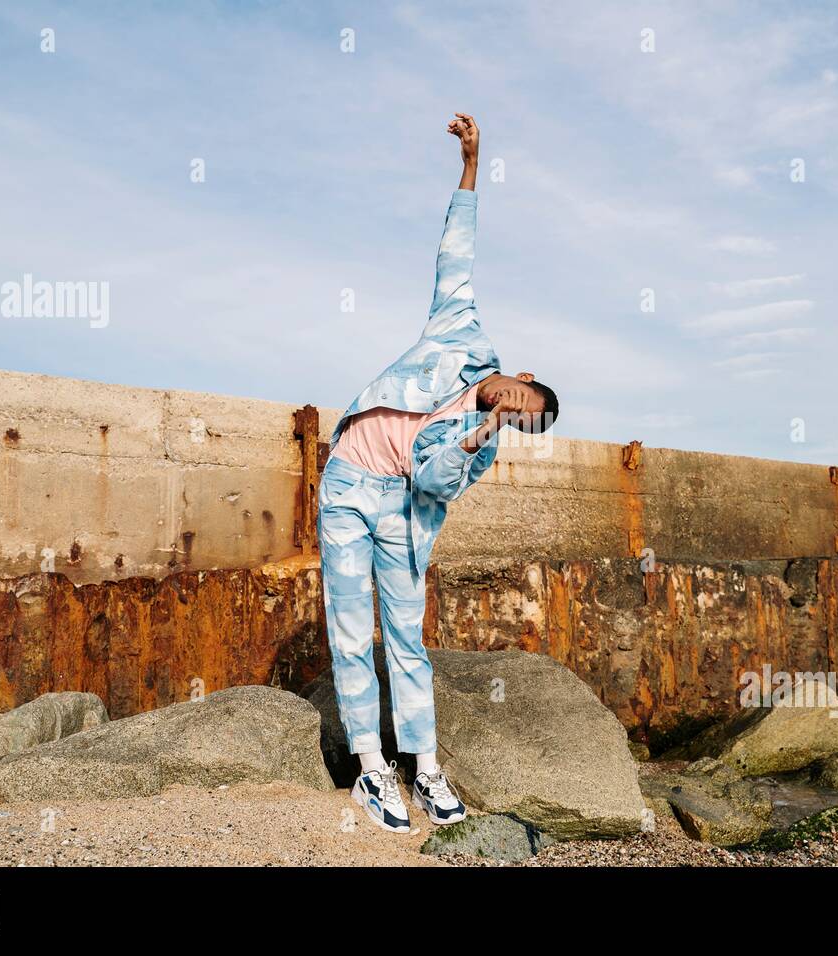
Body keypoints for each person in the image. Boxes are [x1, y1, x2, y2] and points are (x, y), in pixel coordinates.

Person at [319, 113, 559, 833]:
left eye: (520, 418)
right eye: (519, 398)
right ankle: (371, 768)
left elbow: (432, 483)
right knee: (349, 626)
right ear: (519, 375)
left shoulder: (482, 444)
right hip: (346, 481)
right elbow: (456, 256)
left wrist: (480, 432)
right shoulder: (462, 334)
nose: (510, 408)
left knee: (406, 636)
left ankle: (422, 767)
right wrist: (471, 167)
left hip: (399, 509)